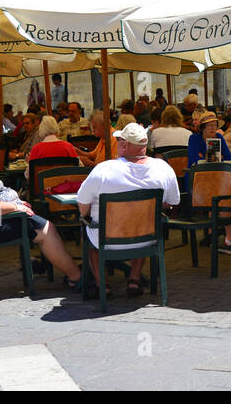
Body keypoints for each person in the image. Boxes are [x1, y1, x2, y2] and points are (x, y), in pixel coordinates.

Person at [0, 127, 83, 293]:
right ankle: (76, 277)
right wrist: (15, 207)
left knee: (42, 222)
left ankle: (68, 271)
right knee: (46, 229)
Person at [75, 122, 180, 294]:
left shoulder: (104, 169)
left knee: (89, 235)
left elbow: (82, 204)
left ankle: (103, 285)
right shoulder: (163, 168)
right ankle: (134, 279)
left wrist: (85, 214)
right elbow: (171, 202)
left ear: (124, 145)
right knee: (141, 223)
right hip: (146, 239)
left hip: (106, 241)